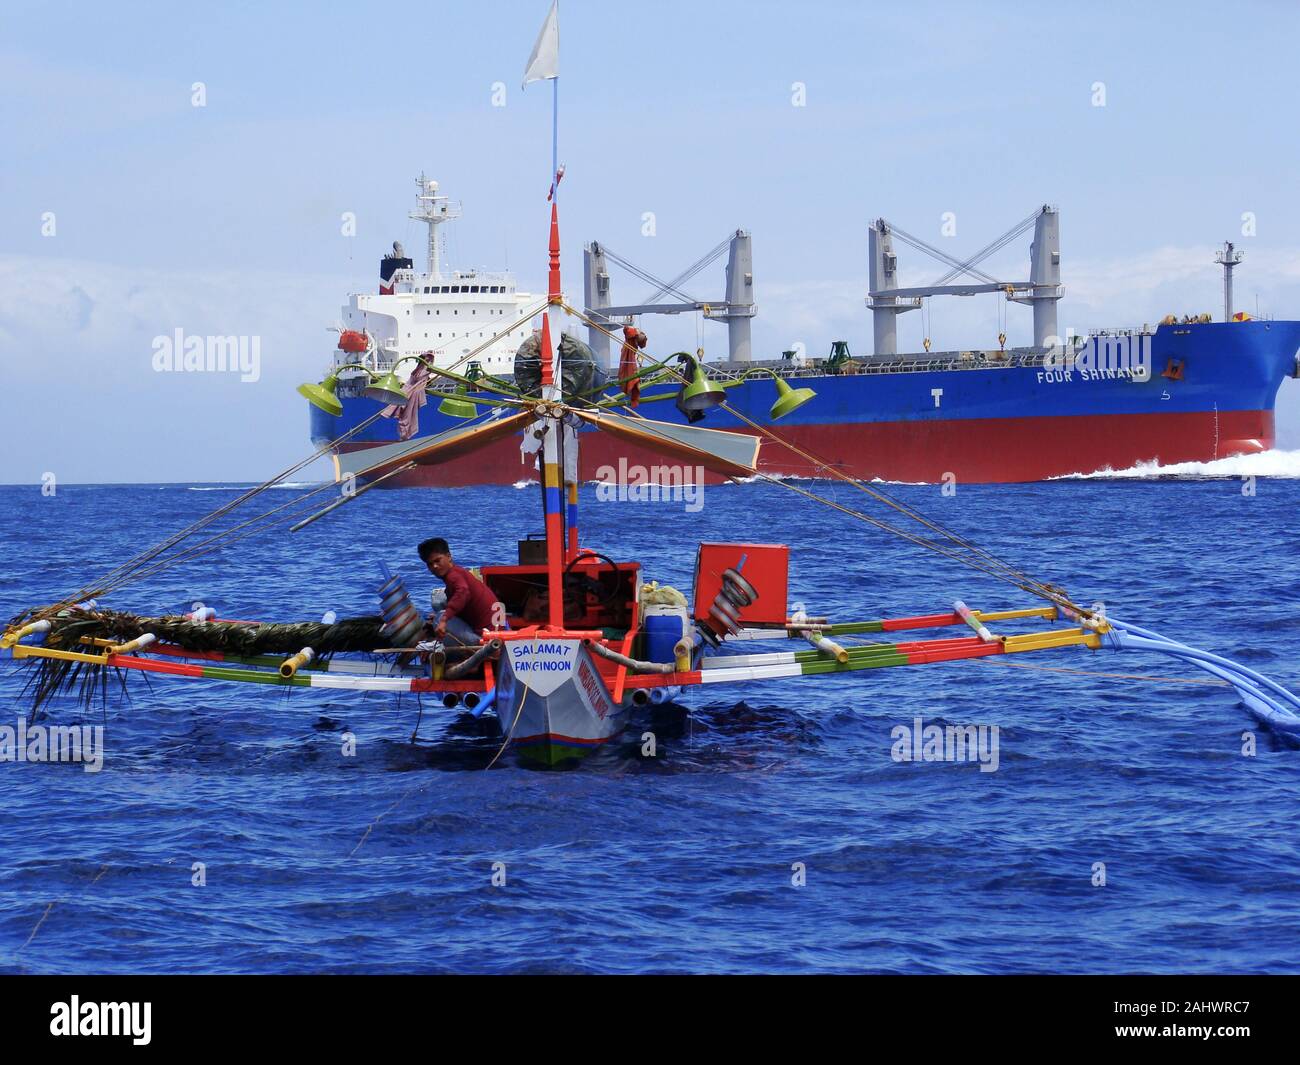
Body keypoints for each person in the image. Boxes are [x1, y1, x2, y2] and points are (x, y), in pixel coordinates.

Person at [417, 537, 505, 647]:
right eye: (430, 564)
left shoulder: (453, 576)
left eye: (437, 560)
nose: (434, 566)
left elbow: (463, 592)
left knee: (439, 617)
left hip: (488, 639)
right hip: (495, 630)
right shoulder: (459, 573)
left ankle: (483, 649)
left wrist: (444, 620)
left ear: (449, 556)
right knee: (439, 612)